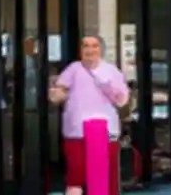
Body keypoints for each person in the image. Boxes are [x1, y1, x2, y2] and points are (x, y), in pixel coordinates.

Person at [49, 35, 129, 195]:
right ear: (81, 50)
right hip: (76, 132)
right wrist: (57, 93)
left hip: (106, 134)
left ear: (101, 50)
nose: (90, 50)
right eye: (86, 46)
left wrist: (109, 87)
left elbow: (122, 100)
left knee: (107, 180)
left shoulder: (111, 71)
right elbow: (56, 95)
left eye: (94, 46)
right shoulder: (73, 69)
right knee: (76, 178)